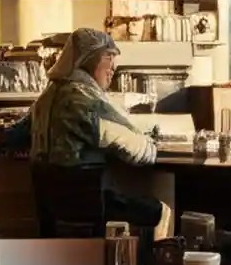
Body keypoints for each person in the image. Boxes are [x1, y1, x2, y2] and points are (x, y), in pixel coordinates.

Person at [29, 28, 172, 240]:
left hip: (53, 211)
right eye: (108, 57)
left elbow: (16, 134)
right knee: (161, 210)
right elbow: (137, 149)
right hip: (92, 207)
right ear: (89, 59)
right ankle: (159, 261)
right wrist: (151, 146)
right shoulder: (85, 99)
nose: (114, 67)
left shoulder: (45, 98)